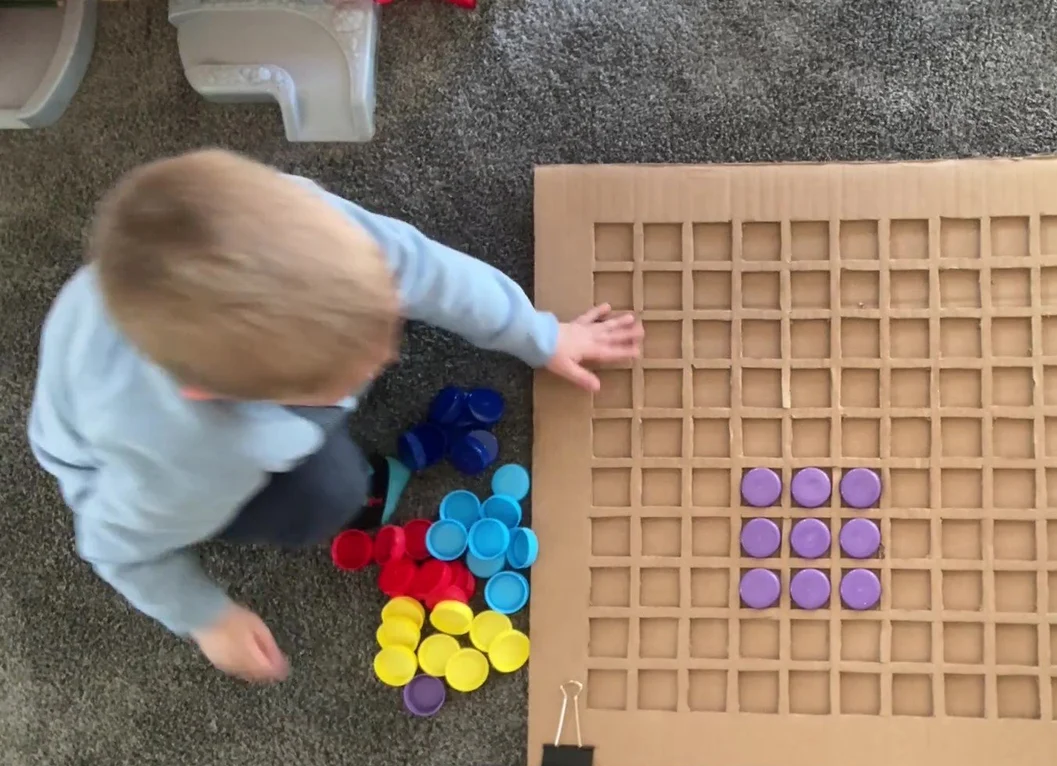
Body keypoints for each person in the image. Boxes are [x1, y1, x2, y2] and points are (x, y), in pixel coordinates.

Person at [27, 149, 642, 683]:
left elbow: (433, 274)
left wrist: (539, 335)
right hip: (116, 462)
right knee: (332, 490)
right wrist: (205, 616)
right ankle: (322, 473)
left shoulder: (314, 233)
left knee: (375, 319)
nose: (390, 354)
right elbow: (115, 546)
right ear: (223, 397)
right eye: (348, 372)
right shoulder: (189, 457)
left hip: (220, 390)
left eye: (384, 319)